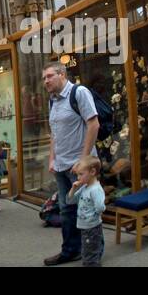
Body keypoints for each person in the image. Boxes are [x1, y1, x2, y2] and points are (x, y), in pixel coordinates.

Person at [42, 61, 99, 265]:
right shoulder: (53, 101)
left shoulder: (79, 92)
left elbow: (93, 124)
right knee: (67, 210)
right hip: (61, 165)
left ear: (62, 75)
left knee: (88, 210)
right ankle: (70, 250)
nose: (45, 81)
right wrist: (52, 158)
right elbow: (54, 134)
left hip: (79, 165)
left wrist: (84, 160)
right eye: (44, 78)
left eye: (49, 76)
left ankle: (93, 254)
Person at [68, 156, 106, 267]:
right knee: (87, 250)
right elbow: (70, 201)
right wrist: (73, 188)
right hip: (85, 226)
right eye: (77, 174)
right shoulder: (84, 187)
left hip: (92, 227)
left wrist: (94, 216)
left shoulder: (95, 189)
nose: (78, 178)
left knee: (91, 255)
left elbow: (100, 207)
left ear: (93, 172)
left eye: (81, 174)